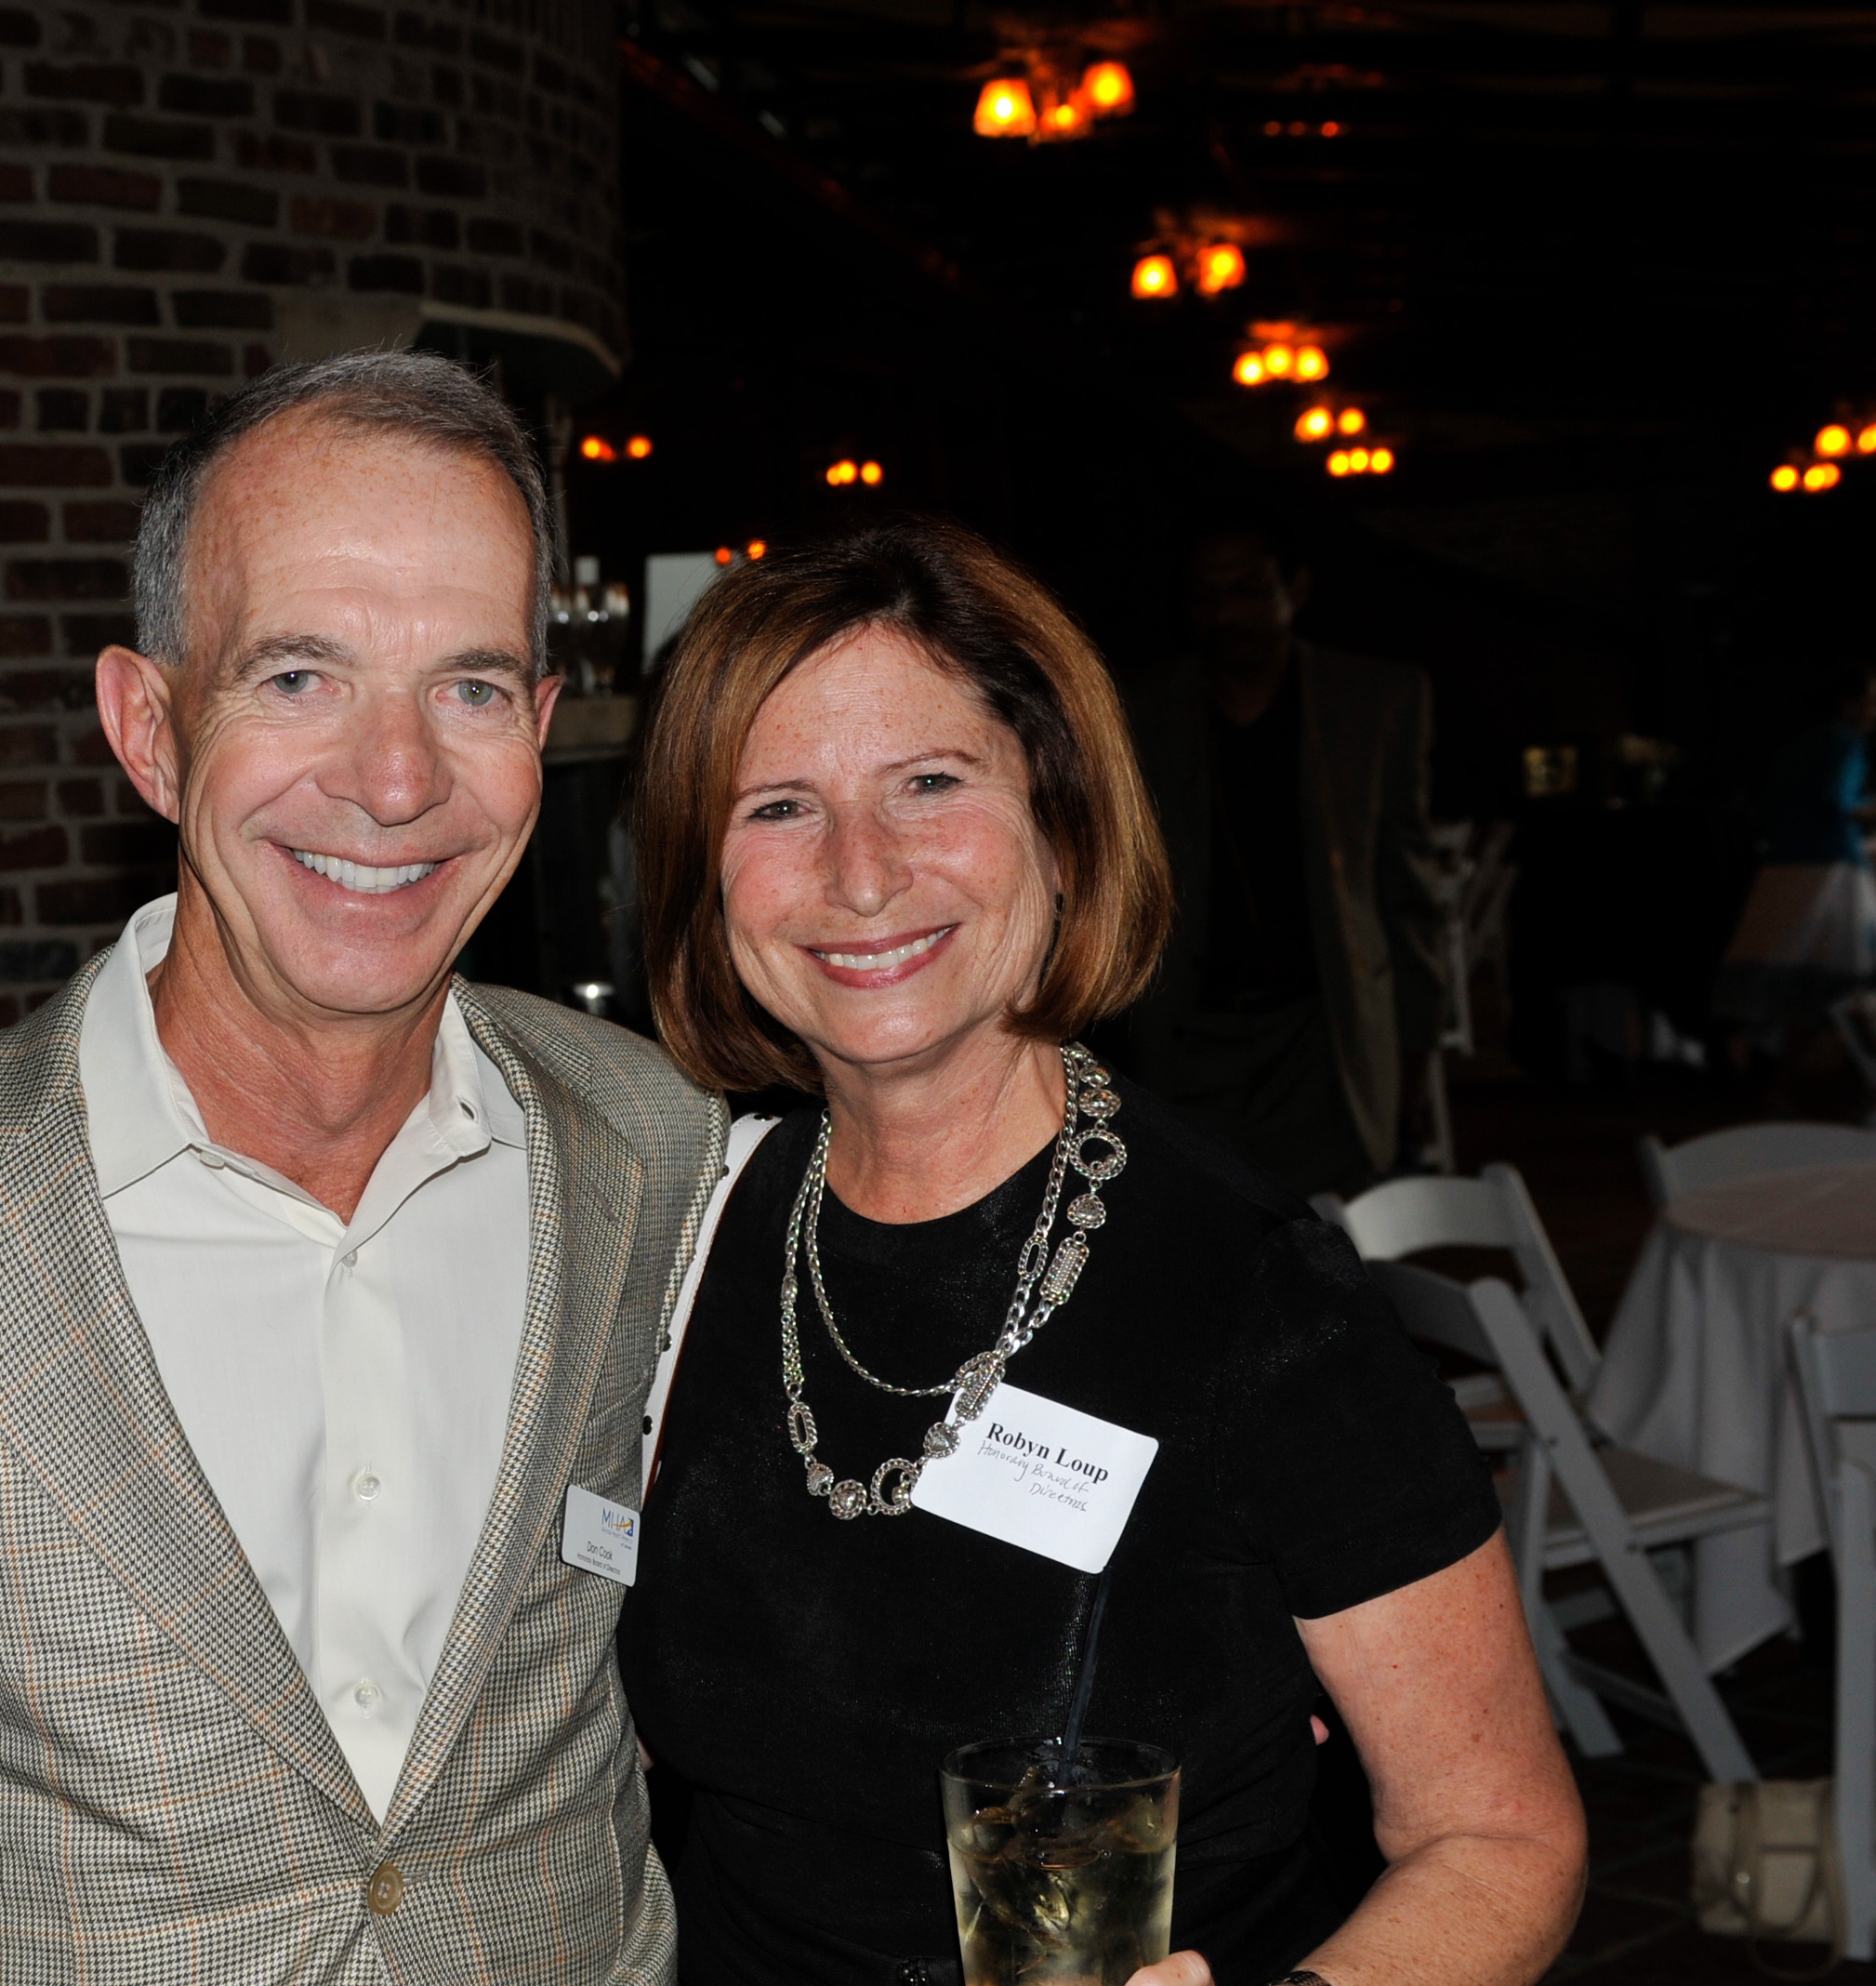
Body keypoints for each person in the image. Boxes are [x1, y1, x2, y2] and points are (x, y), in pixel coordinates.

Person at [0, 350, 728, 1982]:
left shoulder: (653, 1144)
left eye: (466, 687)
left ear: (538, 728)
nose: (394, 781)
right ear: (150, 729)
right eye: (298, 676)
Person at [616, 521, 1586, 1986]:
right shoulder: (685, 1229)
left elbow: (1503, 1837)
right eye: (778, 809)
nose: (862, 875)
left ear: (1061, 827)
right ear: (704, 876)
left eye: (930, 785)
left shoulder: (1258, 1296)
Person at [1114, 525, 1444, 1198]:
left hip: (1324, 1036)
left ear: (1294, 589)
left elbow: (1406, 894)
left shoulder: (1373, 702)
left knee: (1334, 1250)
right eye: (1205, 596)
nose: (1224, 614)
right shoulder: (1138, 710)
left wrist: (1413, 1061)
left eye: (1245, 591)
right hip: (1189, 1035)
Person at [1713, 662, 1876, 1042]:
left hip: (1781, 869)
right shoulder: (1845, 743)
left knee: (1783, 973)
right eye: (1872, 701)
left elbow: (1769, 813)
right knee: (1842, 982)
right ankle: (1839, 1081)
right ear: (1851, 703)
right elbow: (1837, 801)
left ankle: (1786, 1077)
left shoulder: (1795, 750)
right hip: (1830, 867)